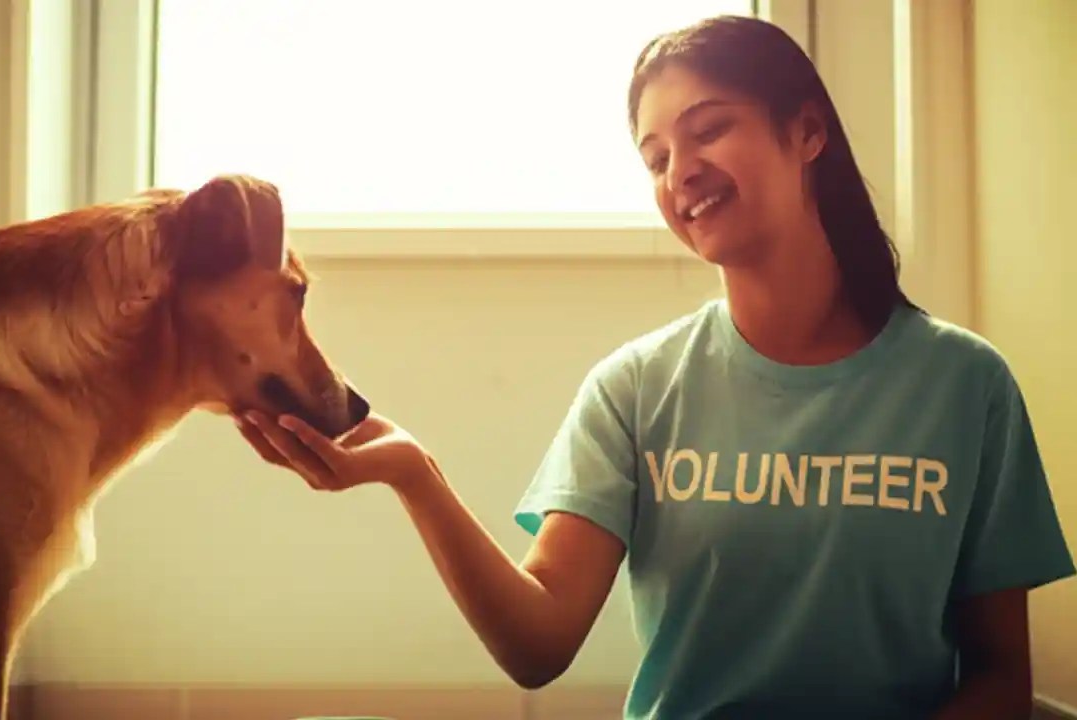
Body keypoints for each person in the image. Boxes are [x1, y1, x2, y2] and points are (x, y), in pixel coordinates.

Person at [235, 14, 1074, 720]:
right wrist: (414, 474)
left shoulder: (966, 385)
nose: (682, 173)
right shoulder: (635, 389)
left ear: (808, 131)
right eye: (656, 157)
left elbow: (1001, 676)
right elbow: (538, 646)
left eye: (709, 129)